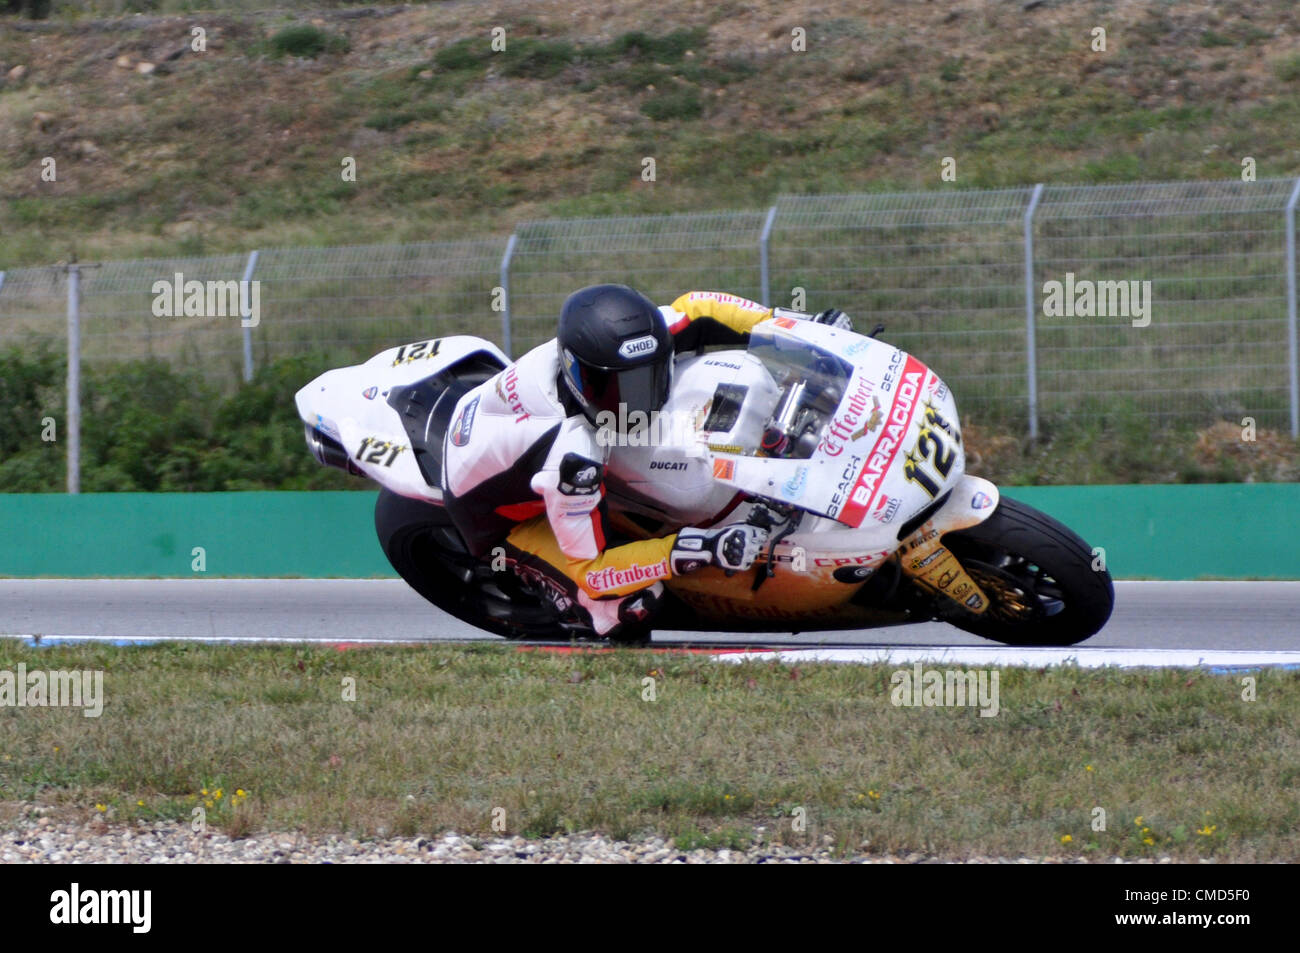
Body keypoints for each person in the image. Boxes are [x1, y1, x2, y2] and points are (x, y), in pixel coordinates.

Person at [440, 284, 852, 637]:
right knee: (626, 609)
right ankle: (574, 611)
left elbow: (697, 308)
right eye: (618, 389)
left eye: (649, 378)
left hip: (501, 427)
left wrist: (795, 326)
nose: (637, 402)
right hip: (499, 515)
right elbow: (594, 571)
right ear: (581, 379)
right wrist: (695, 548)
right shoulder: (572, 453)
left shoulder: (624, 346)